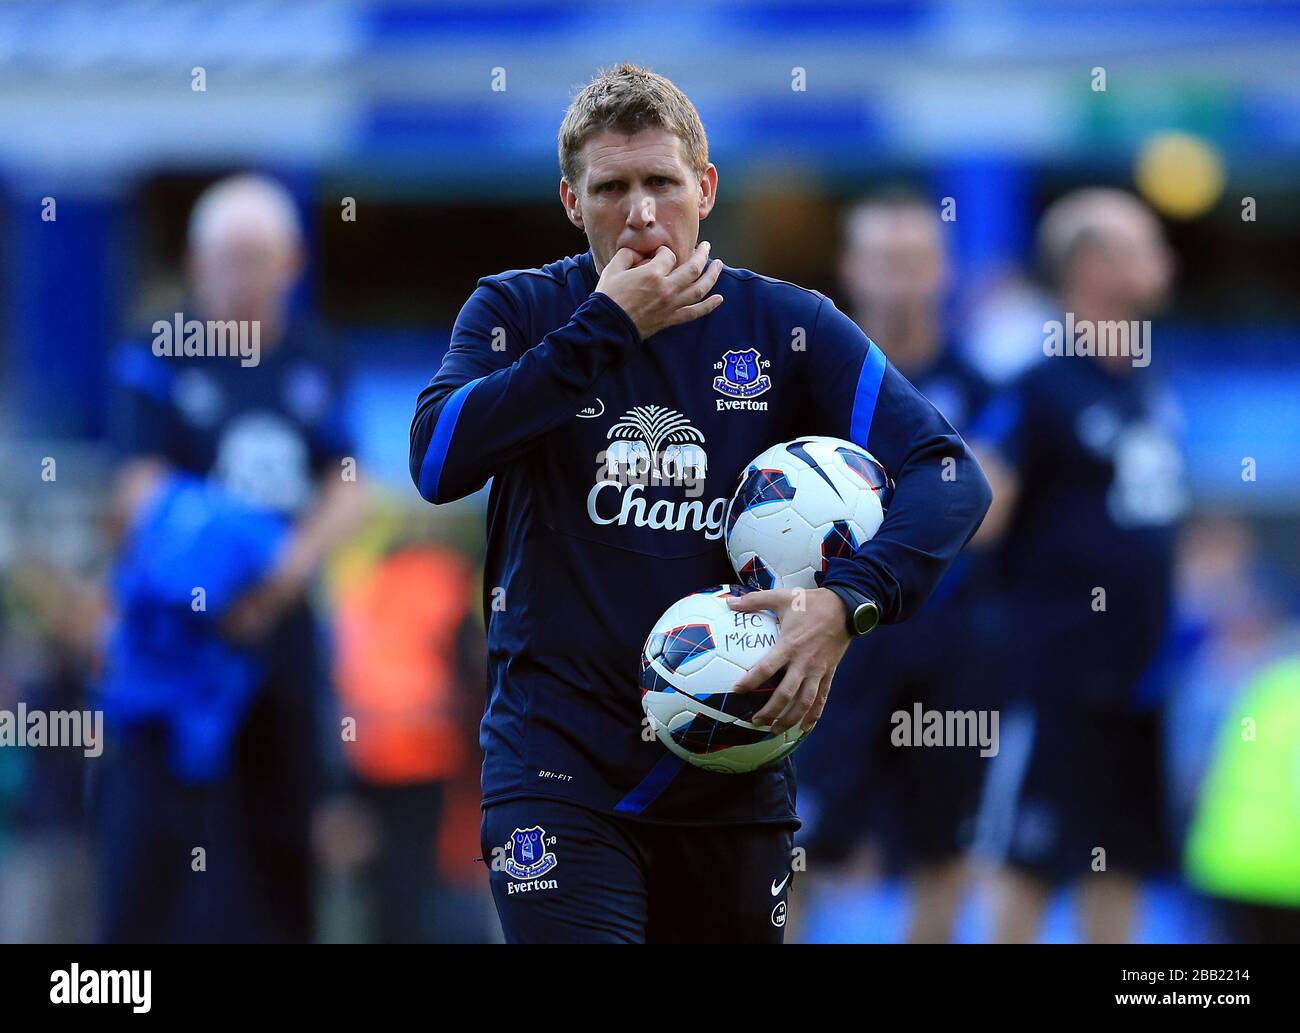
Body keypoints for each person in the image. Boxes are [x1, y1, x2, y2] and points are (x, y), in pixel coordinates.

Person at [409, 64, 991, 944]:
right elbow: (438, 456)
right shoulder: (522, 310)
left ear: (705, 189)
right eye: (611, 188)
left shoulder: (784, 328)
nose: (640, 213)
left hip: (732, 769)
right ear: (572, 200)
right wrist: (607, 329)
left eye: (661, 184)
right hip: (557, 767)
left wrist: (845, 602)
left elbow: (950, 474)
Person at [101, 173, 367, 942]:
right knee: (152, 839)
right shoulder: (158, 351)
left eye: (258, 257)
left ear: (291, 262)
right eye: (227, 257)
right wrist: (218, 572)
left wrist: (283, 573)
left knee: (285, 835)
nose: (242, 275)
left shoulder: (316, 355)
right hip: (177, 639)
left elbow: (348, 484)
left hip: (279, 626)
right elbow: (136, 487)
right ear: (195, 260)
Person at [796, 193, 1012, 942]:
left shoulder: (982, 387)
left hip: (952, 655)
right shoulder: (809, 385)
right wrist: (930, 502)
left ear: (942, 271)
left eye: (914, 261)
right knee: (792, 844)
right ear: (851, 269)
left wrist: (848, 514)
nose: (898, 279)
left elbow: (989, 512)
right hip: (830, 652)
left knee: (945, 850)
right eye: (883, 261)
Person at [975, 188, 1187, 943]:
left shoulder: (1145, 384)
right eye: (1146, 246)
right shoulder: (1036, 387)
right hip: (1056, 678)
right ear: (1094, 266)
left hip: (1140, 680)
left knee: (1120, 861)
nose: (1166, 262)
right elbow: (978, 512)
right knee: (1028, 860)